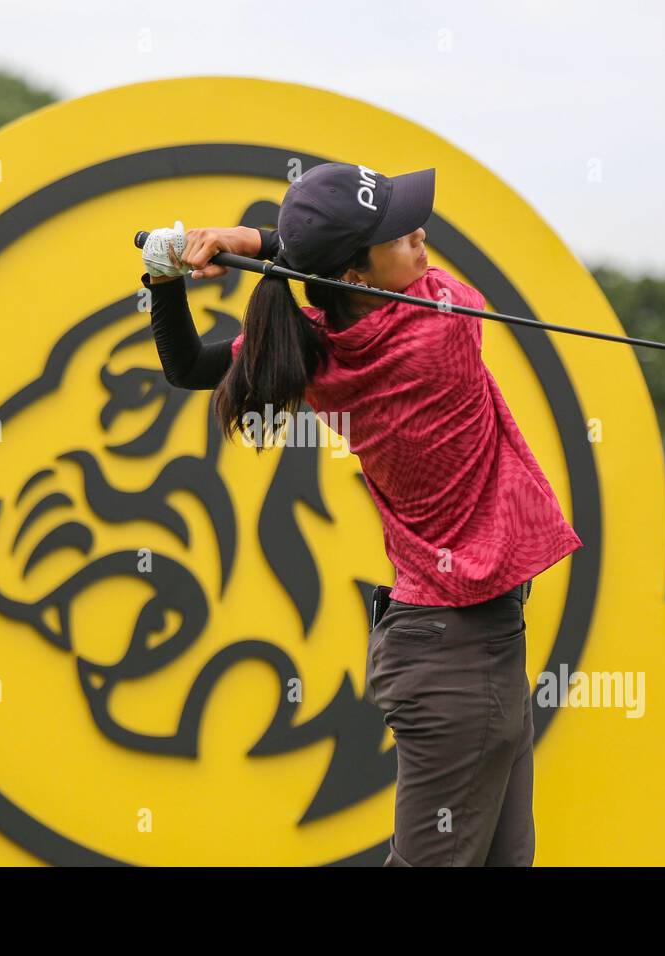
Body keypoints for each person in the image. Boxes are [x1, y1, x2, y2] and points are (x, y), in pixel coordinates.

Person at [138, 162, 583, 866]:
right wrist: (258, 242)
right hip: (456, 659)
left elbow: (189, 365)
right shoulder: (441, 327)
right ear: (356, 278)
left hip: (457, 647)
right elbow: (311, 279)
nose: (421, 238)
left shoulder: (311, 345)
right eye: (399, 236)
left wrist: (164, 274)